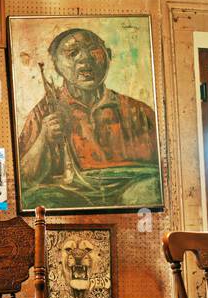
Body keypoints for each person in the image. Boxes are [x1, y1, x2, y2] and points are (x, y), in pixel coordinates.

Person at [16, 27, 161, 209]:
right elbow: (24, 180)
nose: (84, 59)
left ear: (108, 55)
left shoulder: (137, 111)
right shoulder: (44, 112)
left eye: (92, 49)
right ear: (56, 65)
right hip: (72, 196)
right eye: (73, 53)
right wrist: (44, 138)